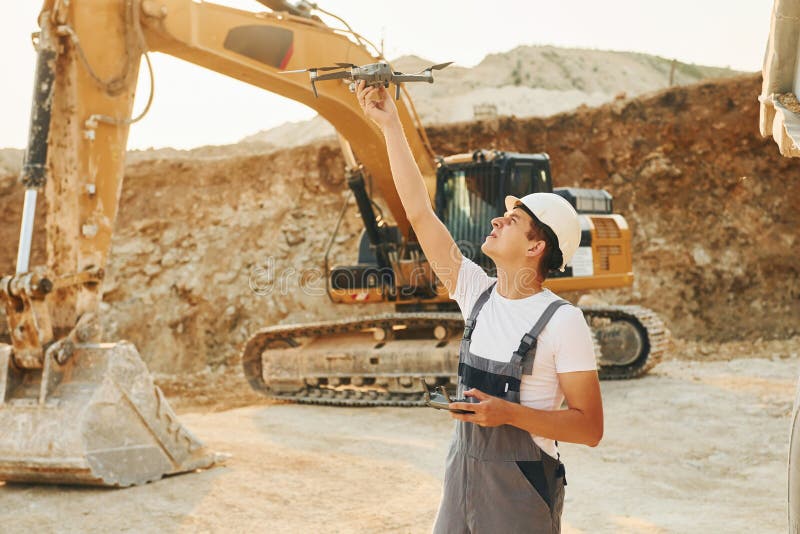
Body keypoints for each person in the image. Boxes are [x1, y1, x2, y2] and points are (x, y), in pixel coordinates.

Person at [356, 80, 603, 534]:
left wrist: (506, 414)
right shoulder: (476, 293)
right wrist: (390, 124)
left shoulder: (563, 322)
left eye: (512, 221)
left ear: (536, 247)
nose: (496, 219)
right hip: (462, 476)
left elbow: (589, 428)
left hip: (521, 493)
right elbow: (418, 212)